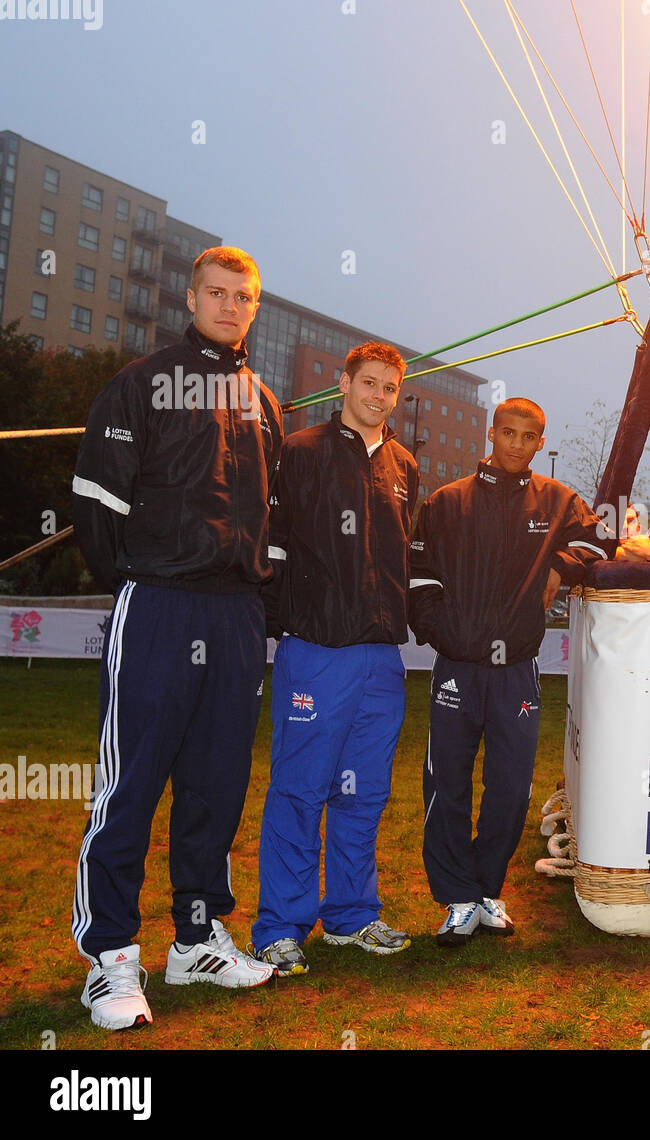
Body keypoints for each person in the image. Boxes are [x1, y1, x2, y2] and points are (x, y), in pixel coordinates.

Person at [71, 246, 281, 1030]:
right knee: (131, 784)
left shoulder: (262, 400)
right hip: (160, 606)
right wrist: (143, 574)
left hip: (235, 616)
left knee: (217, 786)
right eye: (218, 293)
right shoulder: (141, 383)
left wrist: (256, 597)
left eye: (245, 297)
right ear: (191, 296)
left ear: (255, 307)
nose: (231, 307)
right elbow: (95, 502)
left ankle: (195, 938)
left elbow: (272, 516)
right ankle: (111, 956)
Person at [407, 397, 617, 945]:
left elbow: (601, 539)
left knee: (509, 788)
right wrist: (441, 631)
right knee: (447, 783)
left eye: (529, 437)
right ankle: (457, 898)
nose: (518, 444)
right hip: (458, 668)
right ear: (492, 434)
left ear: (540, 442)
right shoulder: (448, 501)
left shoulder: (556, 499)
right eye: (509, 433)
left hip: (517, 671)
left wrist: (559, 565)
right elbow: (419, 573)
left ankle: (486, 891)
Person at [250, 342, 418, 976]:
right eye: (368, 383)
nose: (379, 396)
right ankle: (280, 927)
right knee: (300, 791)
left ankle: (351, 914)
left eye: (389, 388)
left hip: (381, 658)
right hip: (316, 652)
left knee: (363, 793)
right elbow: (273, 548)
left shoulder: (404, 463)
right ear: (344, 383)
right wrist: (281, 624)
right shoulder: (299, 452)